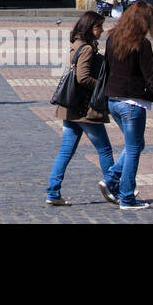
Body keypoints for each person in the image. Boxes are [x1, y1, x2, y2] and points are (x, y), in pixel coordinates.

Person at [101, 2, 153, 210]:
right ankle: (126, 197)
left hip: (113, 100)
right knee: (134, 149)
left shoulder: (113, 38)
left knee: (136, 145)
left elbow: (106, 68)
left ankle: (111, 179)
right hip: (132, 104)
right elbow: (152, 78)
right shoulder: (141, 45)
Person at [45, 11, 114, 205]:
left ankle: (53, 192)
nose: (102, 30)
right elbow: (82, 77)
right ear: (89, 28)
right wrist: (101, 87)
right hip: (84, 110)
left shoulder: (74, 45)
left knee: (65, 152)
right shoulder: (86, 49)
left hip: (71, 108)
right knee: (105, 150)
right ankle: (113, 187)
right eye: (98, 27)